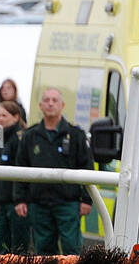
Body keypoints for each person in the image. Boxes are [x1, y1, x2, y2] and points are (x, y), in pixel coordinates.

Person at [13, 88, 93, 255]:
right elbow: (21, 168)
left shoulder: (75, 134)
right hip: (39, 204)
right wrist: (20, 199)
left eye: (54, 100)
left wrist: (87, 200)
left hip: (68, 204)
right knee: (43, 252)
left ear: (62, 105)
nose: (50, 103)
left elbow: (87, 166)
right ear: (41, 105)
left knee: (72, 250)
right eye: (47, 100)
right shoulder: (30, 135)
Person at [0, 100, 28, 253]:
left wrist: (21, 198)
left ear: (16, 117)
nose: (0, 119)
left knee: (19, 247)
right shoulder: (2, 136)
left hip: (17, 203)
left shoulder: (20, 138)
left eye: (4, 115)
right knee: (1, 246)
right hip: (4, 200)